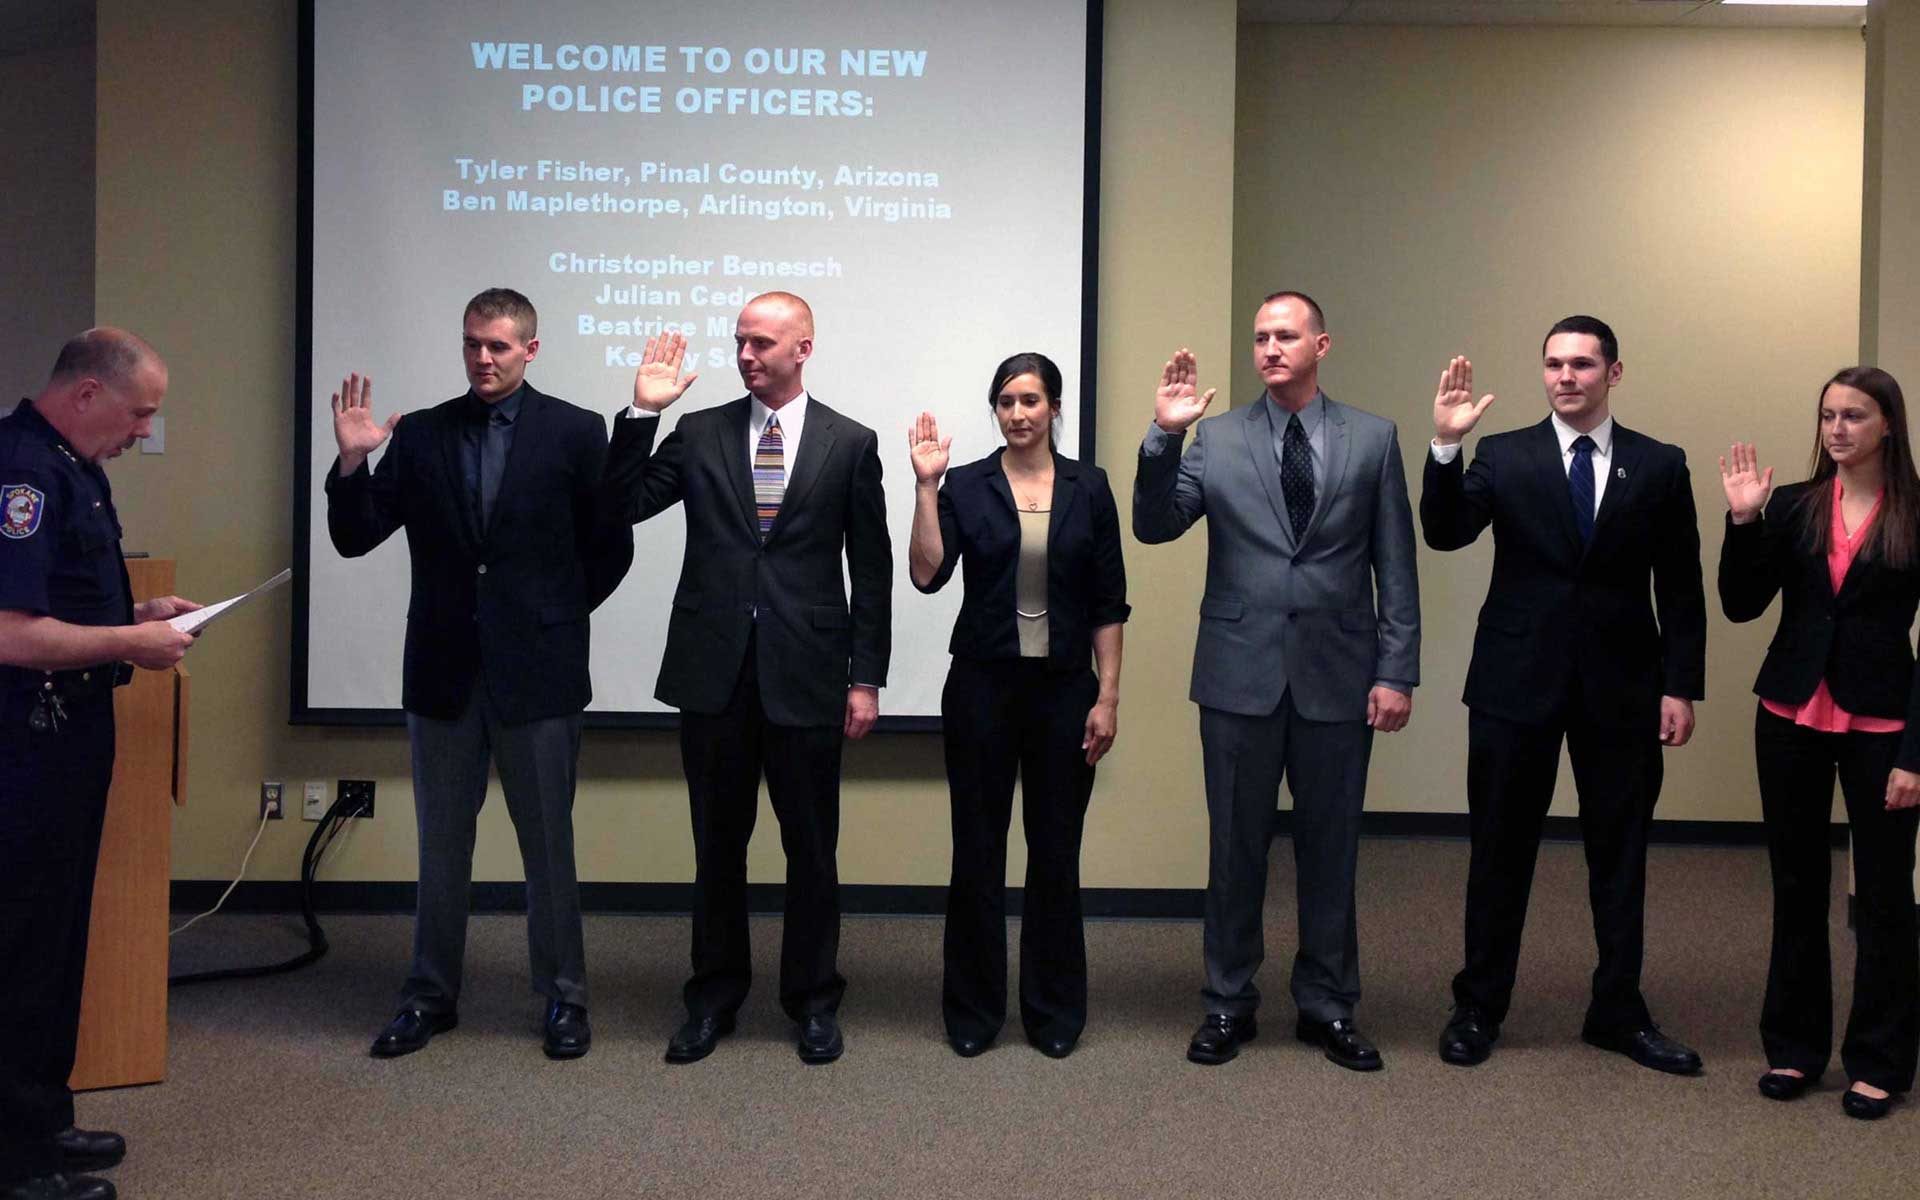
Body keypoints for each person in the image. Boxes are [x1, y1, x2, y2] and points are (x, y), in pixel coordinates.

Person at [325, 288, 633, 1062]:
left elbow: (612, 544)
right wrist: (353, 462)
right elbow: (355, 537)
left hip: (540, 673)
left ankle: (564, 998)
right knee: (441, 846)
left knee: (548, 848)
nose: (483, 359)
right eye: (472, 345)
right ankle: (429, 996)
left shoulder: (574, 430)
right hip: (443, 674)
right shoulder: (424, 433)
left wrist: (551, 614)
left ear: (530, 349)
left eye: (498, 347)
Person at [602, 293, 892, 1066]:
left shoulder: (851, 443)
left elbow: (872, 570)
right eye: (739, 342)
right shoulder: (698, 432)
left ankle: (812, 1001)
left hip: (809, 675)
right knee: (717, 849)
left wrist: (866, 679)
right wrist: (641, 414)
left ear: (804, 347)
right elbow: (619, 506)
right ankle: (712, 997)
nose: (745, 355)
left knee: (812, 849)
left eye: (762, 343)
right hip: (714, 674)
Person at [1134, 291, 1419, 1071]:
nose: (1269, 348)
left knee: (1332, 851)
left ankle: (1328, 1006)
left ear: (1321, 344)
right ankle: (1227, 1003)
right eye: (1259, 337)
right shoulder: (1216, 439)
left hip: (1339, 672)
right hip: (1237, 673)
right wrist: (1165, 435)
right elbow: (1155, 525)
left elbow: (1395, 565)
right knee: (1235, 850)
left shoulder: (1373, 438)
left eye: (1285, 336)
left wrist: (1397, 670)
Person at [1421, 315, 1707, 1074]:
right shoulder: (1503, 454)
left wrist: (1681, 686)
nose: (1566, 377)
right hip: (1515, 683)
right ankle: (1478, 1005)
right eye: (1553, 364)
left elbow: (1680, 587)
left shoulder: (1659, 464)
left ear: (1614, 372)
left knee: (1621, 853)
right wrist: (1446, 447)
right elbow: (1445, 533)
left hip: (1623, 687)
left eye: (1582, 364)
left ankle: (1618, 1010)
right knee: (1499, 850)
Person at [1, 328, 199, 1200]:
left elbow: (66, 598)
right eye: (139, 413)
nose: (143, 431)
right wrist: (132, 640)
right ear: (86, 394)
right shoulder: (24, 475)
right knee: (22, 943)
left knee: (56, 938)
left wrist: (139, 609)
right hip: (24, 745)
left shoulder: (76, 466)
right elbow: (9, 632)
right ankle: (14, 1163)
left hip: (70, 733)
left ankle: (42, 1119)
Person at [906, 352, 1129, 1059]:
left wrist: (1109, 695)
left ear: (1055, 407)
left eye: (1031, 399)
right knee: (977, 851)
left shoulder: (1089, 488)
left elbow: (1107, 602)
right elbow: (926, 574)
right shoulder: (967, 485)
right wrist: (925, 488)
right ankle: (973, 1014)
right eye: (1006, 401)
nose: (1018, 413)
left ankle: (1053, 1013)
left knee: (1055, 853)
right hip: (982, 688)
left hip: (1066, 692)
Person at [1717, 366, 1920, 1120]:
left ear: (1887, 426)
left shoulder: (1917, 512)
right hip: (1790, 715)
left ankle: (1880, 1061)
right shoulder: (1796, 505)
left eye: (1855, 416)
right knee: (1796, 887)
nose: (1837, 428)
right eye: (1829, 415)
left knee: (1887, 898)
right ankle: (1796, 1049)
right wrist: (1744, 523)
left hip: (1885, 727)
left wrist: (1917, 756)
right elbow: (1741, 605)